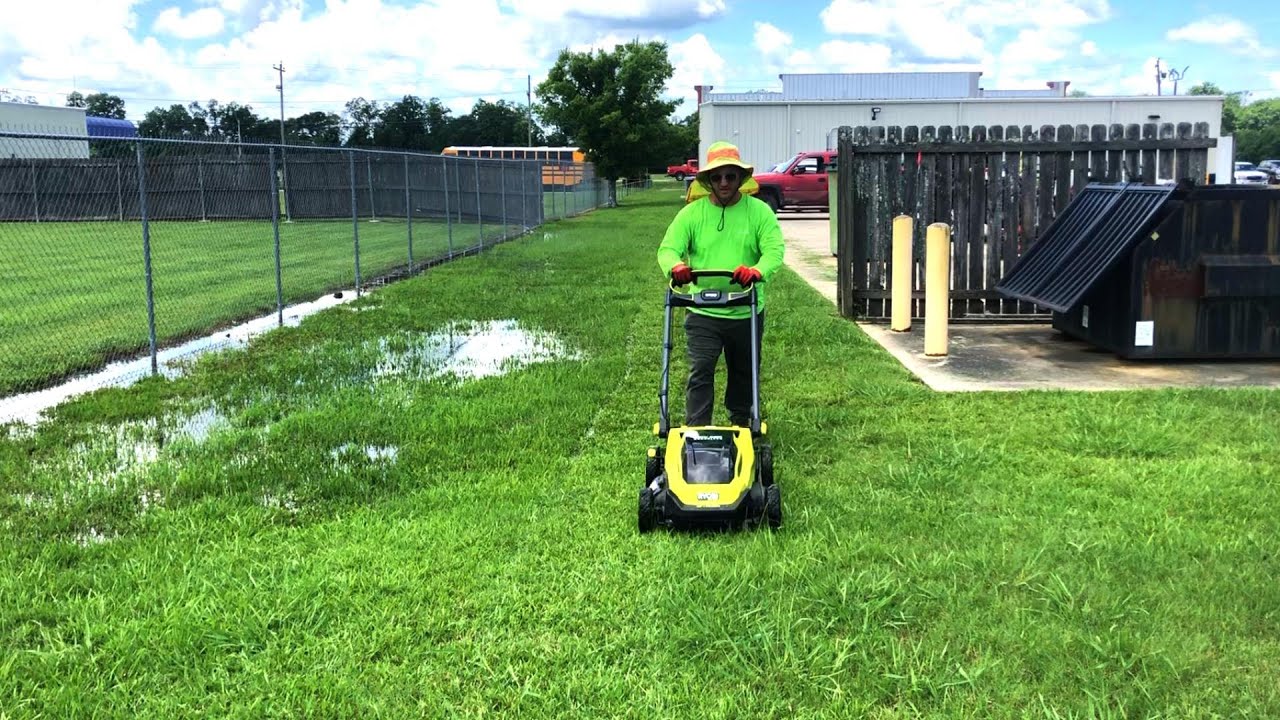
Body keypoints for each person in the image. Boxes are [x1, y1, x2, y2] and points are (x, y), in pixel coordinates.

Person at [657, 141, 784, 428]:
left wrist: (756, 270)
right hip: (702, 310)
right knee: (700, 369)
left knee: (744, 371)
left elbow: (774, 251)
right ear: (708, 180)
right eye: (717, 177)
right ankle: (697, 429)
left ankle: (742, 424)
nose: (724, 182)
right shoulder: (692, 214)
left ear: (740, 178)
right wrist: (675, 266)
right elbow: (668, 249)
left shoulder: (759, 212)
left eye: (730, 176)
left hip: (745, 309)